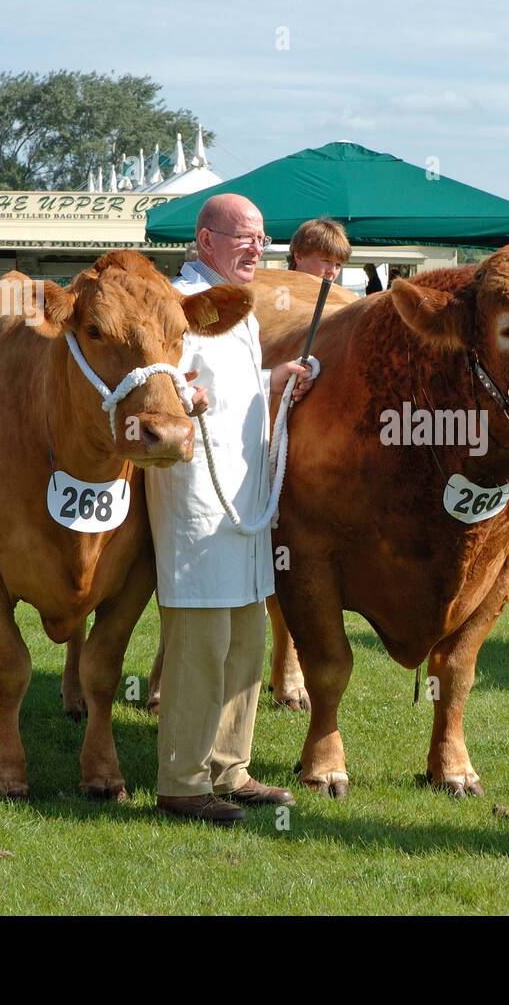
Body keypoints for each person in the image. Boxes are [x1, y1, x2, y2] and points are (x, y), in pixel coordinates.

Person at [148, 193, 317, 825]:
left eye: (263, 236)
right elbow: (156, 377)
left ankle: (229, 767)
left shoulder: (238, 307)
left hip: (244, 501)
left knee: (248, 638)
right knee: (202, 641)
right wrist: (179, 392)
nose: (258, 247)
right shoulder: (177, 304)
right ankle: (182, 781)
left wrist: (273, 382)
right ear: (206, 240)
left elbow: (226, 384)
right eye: (244, 236)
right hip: (198, 497)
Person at [287, 216, 351, 282]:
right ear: (299, 257)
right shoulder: (277, 289)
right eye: (326, 260)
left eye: (338, 264)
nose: (333, 272)